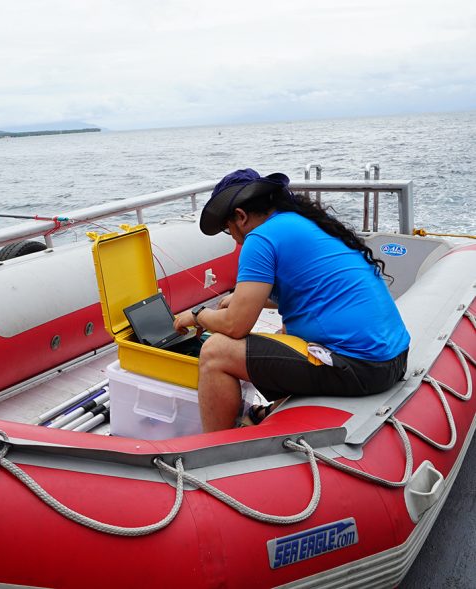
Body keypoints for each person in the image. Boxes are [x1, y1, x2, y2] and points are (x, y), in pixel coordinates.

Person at [173, 168, 410, 432]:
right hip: (393, 359)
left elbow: (235, 326)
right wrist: (241, 300)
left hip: (362, 367)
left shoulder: (260, 238)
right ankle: (272, 412)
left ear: (240, 217)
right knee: (282, 332)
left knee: (216, 351)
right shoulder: (298, 223)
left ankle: (213, 451)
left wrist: (196, 316)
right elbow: (308, 292)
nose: (236, 240)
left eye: (229, 231)